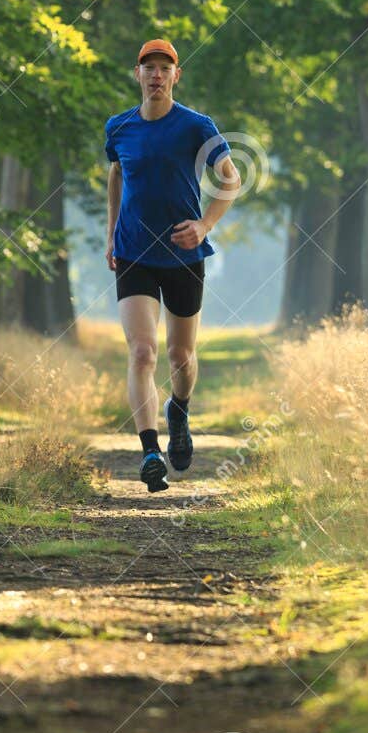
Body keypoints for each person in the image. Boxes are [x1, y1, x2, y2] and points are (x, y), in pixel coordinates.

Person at [104, 38, 241, 492]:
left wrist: (204, 225)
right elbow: (117, 174)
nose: (157, 75)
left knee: (180, 356)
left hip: (183, 252)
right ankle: (149, 452)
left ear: (176, 76)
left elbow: (230, 178)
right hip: (134, 252)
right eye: (149, 68)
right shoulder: (119, 127)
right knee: (142, 352)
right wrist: (110, 236)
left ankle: (178, 411)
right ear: (138, 74)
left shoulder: (196, 126)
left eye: (165, 68)